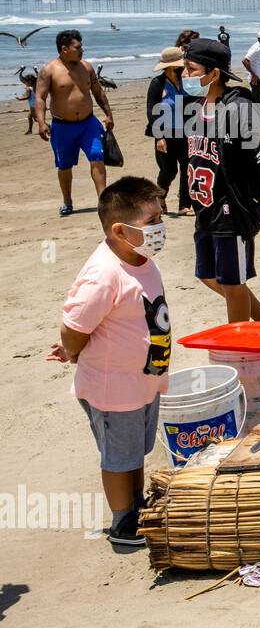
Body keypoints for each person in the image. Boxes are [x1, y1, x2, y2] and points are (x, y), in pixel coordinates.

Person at [48, 176, 172, 546]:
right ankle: (123, 522)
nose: (160, 227)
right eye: (151, 221)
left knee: (134, 449)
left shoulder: (141, 259)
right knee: (118, 456)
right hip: (112, 387)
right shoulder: (104, 274)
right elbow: (74, 326)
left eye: (160, 217)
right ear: (120, 229)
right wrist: (70, 351)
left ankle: (135, 504)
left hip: (142, 381)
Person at [181, 37, 260, 323]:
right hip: (205, 209)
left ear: (214, 74)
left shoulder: (238, 108)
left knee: (233, 283)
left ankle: (241, 348)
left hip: (231, 210)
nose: (185, 75)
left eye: (191, 69)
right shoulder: (195, 107)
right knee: (208, 275)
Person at [35, 30, 113, 217]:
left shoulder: (86, 67)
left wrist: (109, 115)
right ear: (64, 49)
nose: (82, 50)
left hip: (89, 123)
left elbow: (98, 93)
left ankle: (103, 201)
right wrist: (41, 122)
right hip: (62, 127)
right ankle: (67, 201)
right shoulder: (49, 70)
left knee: (97, 157)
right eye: (77, 47)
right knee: (64, 166)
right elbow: (40, 98)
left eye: (81, 46)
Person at [145, 47, 193, 216]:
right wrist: (159, 137)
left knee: (188, 168)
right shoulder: (158, 84)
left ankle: (184, 205)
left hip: (186, 131)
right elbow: (151, 110)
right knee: (169, 170)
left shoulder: (186, 81)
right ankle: (160, 197)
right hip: (165, 132)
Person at [242, 32, 260, 106]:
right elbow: (245, 61)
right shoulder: (256, 48)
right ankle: (256, 117)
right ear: (259, 39)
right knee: (257, 103)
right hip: (257, 80)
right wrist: (253, 74)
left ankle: (259, 117)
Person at [17, 69, 38, 134]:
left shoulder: (29, 88)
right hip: (37, 105)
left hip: (33, 106)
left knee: (37, 119)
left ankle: (49, 127)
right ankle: (30, 130)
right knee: (30, 117)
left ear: (29, 82)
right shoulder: (35, 87)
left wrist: (20, 99)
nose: (25, 83)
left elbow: (28, 97)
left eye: (25, 82)